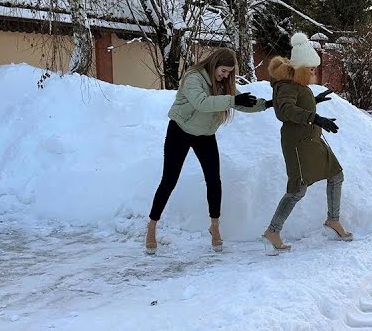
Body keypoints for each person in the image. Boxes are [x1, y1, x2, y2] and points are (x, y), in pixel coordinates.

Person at [145, 48, 269, 254]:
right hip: (181, 130)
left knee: (214, 179)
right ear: (214, 64)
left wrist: (268, 105)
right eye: (223, 70)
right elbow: (201, 103)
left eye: (229, 72)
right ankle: (151, 226)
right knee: (169, 180)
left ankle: (214, 227)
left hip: (205, 135)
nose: (226, 75)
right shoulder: (193, 77)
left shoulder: (223, 84)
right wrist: (232, 100)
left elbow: (241, 102)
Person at [261, 32, 352, 252]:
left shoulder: (298, 85)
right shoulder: (286, 85)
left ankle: (333, 220)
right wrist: (315, 116)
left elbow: (298, 104)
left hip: (312, 139)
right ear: (301, 67)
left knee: (336, 175)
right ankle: (273, 230)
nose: (314, 72)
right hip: (298, 144)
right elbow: (284, 111)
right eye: (311, 68)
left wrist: (314, 102)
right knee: (297, 190)